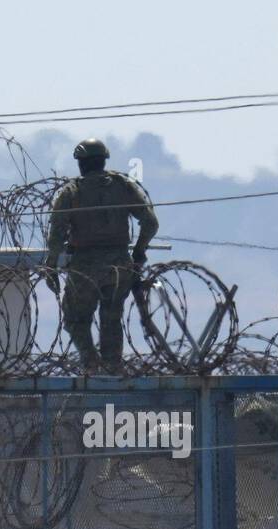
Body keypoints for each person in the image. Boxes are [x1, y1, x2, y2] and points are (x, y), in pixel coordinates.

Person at [44, 139, 159, 373]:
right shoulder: (122, 186)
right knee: (111, 319)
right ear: (103, 160)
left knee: (75, 319)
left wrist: (51, 266)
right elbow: (150, 222)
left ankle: (90, 362)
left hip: (84, 266)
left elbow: (56, 234)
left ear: (81, 164)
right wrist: (138, 252)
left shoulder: (71, 192)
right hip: (119, 265)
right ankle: (113, 368)